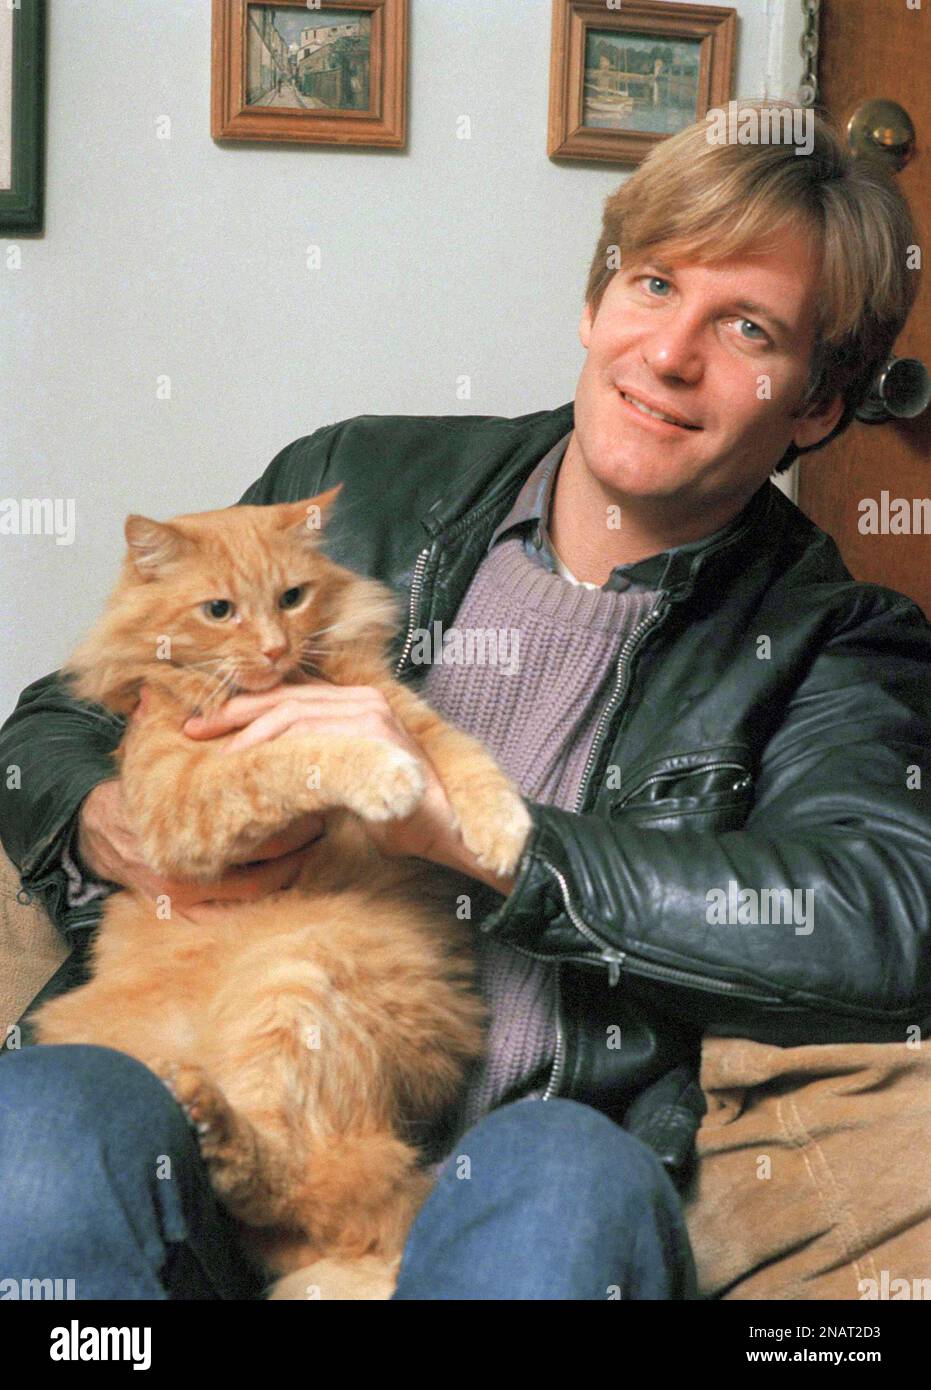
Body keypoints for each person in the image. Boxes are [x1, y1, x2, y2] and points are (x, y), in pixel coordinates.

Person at [1, 100, 929, 1301]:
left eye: (745, 325)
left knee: (565, 1179)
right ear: (594, 302)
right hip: (218, 1119)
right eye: (651, 285)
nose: (668, 354)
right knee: (42, 1125)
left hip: (520, 1148)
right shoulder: (364, 479)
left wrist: (497, 846)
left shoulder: (835, 640)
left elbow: (886, 911)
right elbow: (48, 730)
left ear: (816, 405)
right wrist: (124, 828)